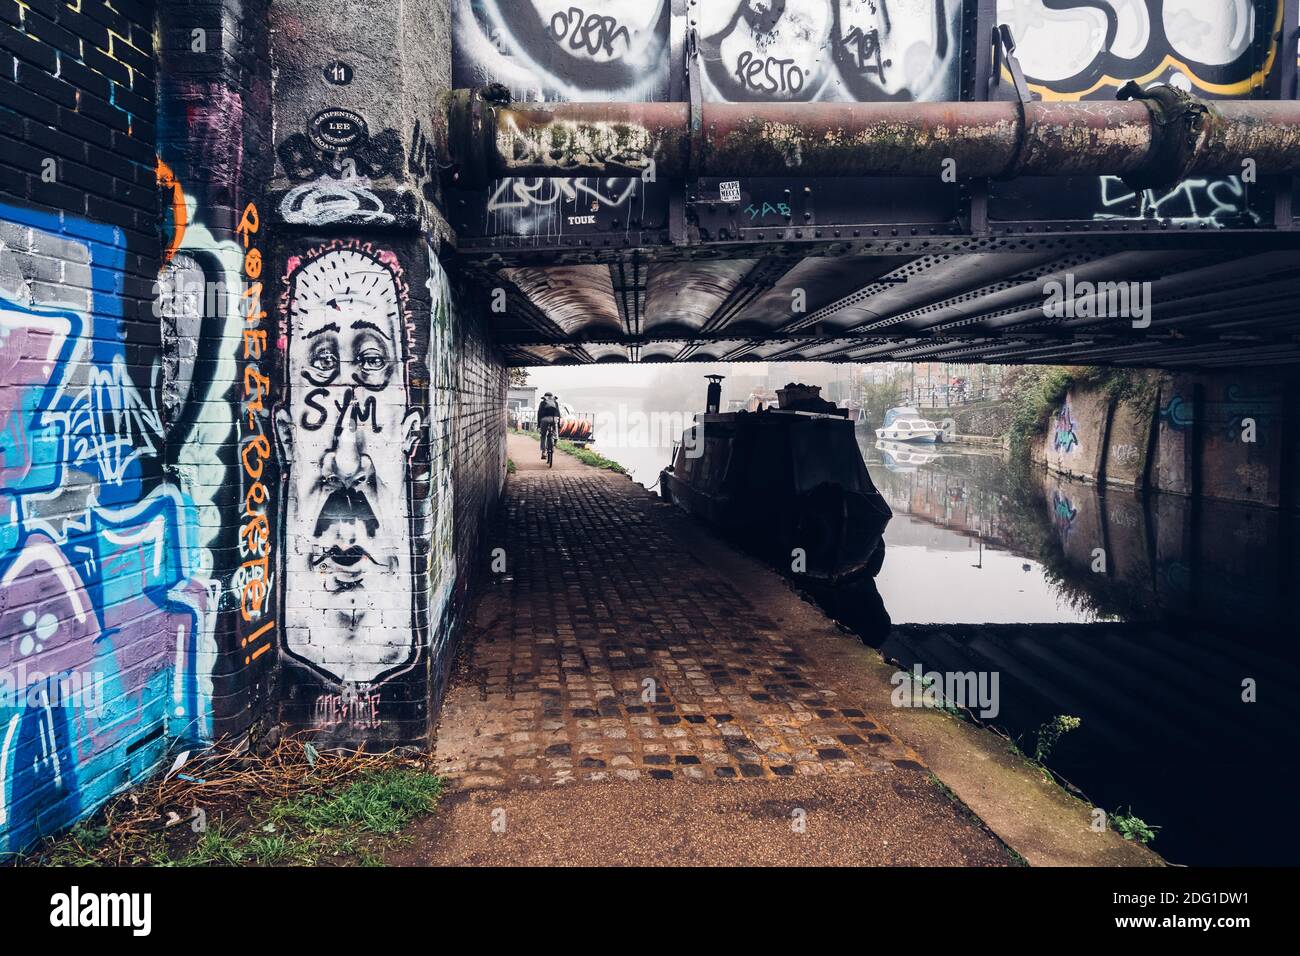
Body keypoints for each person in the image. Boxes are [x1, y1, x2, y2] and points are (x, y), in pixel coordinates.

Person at [537, 392, 561, 459]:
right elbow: (558, 414)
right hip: (554, 419)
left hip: (544, 420)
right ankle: (553, 444)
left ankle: (543, 452)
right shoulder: (555, 402)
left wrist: (539, 425)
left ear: (544, 397)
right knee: (555, 433)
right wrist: (558, 425)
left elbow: (539, 414)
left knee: (543, 435)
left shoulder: (542, 403)